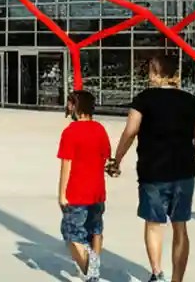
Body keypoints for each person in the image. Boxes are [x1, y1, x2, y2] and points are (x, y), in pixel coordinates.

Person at [109, 55, 195, 282]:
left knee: (154, 224)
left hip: (152, 171)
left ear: (154, 73)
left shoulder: (144, 99)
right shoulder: (191, 101)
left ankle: (157, 272)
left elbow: (130, 131)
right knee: (180, 226)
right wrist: (192, 154)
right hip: (184, 171)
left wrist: (117, 159)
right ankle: (177, 279)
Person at [58, 90, 111, 282]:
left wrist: (61, 193)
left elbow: (67, 164)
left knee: (72, 233)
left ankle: (91, 272)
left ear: (74, 106)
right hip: (97, 190)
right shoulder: (99, 129)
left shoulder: (70, 132)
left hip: (77, 191)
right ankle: (94, 264)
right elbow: (106, 157)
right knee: (95, 230)